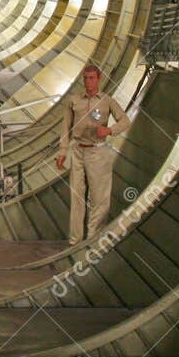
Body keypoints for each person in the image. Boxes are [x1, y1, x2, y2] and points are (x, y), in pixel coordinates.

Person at [57, 64, 131, 245]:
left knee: (99, 197)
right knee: (77, 196)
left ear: (98, 79)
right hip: (78, 150)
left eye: (92, 78)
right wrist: (63, 151)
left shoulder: (106, 100)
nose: (88, 82)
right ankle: (75, 240)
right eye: (86, 78)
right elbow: (65, 127)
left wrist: (109, 130)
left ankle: (93, 239)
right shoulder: (74, 101)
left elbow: (125, 121)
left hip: (97, 151)